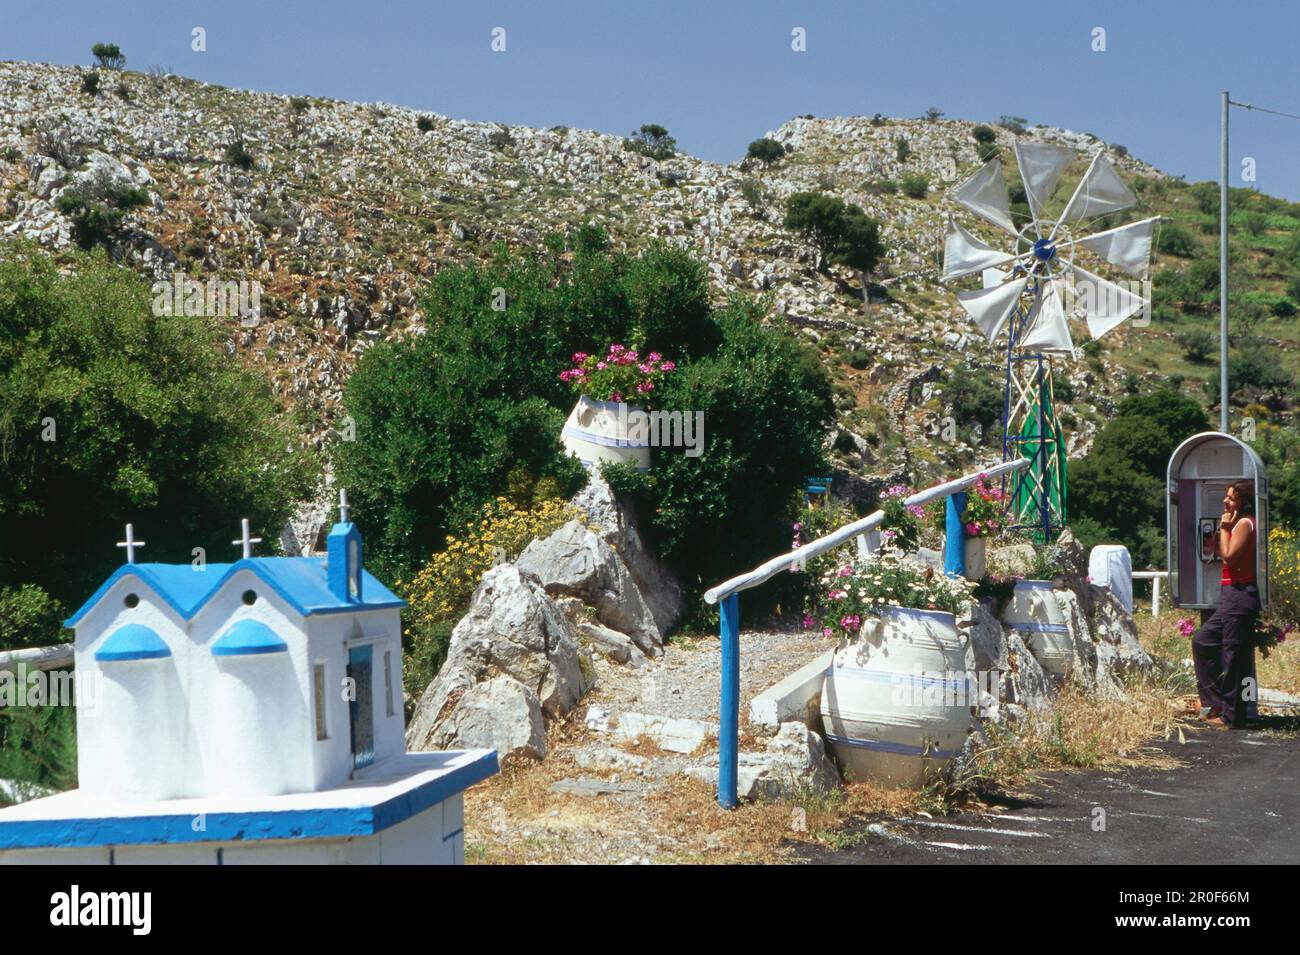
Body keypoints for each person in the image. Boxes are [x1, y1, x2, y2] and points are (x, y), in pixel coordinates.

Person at [1191, 480, 1260, 729]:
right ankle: (1215, 703)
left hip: (1240, 595)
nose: (1225, 501)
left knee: (1233, 657)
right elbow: (1228, 554)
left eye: (1230, 498)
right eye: (1225, 496)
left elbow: (1231, 555)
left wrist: (1224, 528)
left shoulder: (1244, 523)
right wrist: (1215, 547)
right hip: (1231, 594)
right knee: (1202, 641)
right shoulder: (1239, 524)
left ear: (1242, 501)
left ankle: (1232, 717)